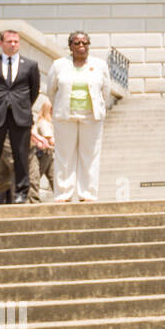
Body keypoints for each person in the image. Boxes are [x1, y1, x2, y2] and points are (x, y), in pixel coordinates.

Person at [0, 29, 41, 205]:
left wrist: (20, 106)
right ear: (1, 43)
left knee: (21, 156)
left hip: (20, 116)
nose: (13, 44)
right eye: (9, 41)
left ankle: (21, 193)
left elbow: (33, 91)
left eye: (16, 41)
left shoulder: (30, 65)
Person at [46, 31, 109, 202]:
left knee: (90, 156)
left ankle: (87, 194)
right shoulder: (59, 65)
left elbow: (105, 91)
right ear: (70, 46)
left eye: (85, 43)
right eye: (77, 43)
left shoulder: (100, 65)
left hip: (91, 117)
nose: (81, 47)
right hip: (66, 116)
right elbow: (51, 91)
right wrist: (60, 105)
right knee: (64, 156)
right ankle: (63, 194)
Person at [31, 96, 55, 202]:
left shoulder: (42, 121)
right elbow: (50, 140)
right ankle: (32, 199)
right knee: (35, 177)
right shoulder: (45, 123)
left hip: (47, 153)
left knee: (53, 177)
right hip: (43, 153)